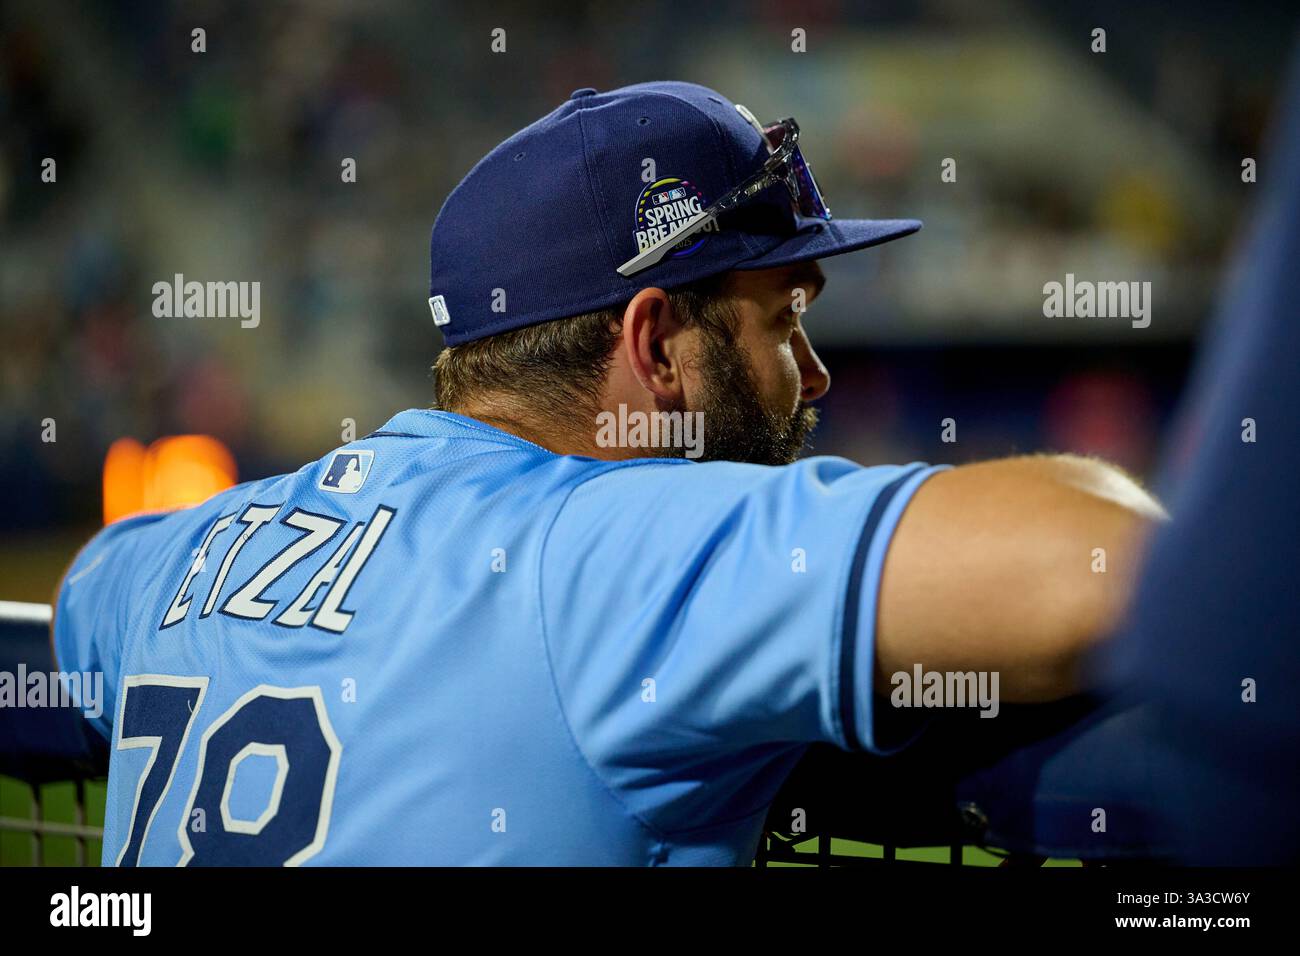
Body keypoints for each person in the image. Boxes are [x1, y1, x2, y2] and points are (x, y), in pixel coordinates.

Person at [52, 81, 1162, 865]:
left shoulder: (154, 562)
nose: (815, 374)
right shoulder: (613, 549)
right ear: (653, 342)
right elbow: (1104, 568)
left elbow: (70, 622)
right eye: (782, 321)